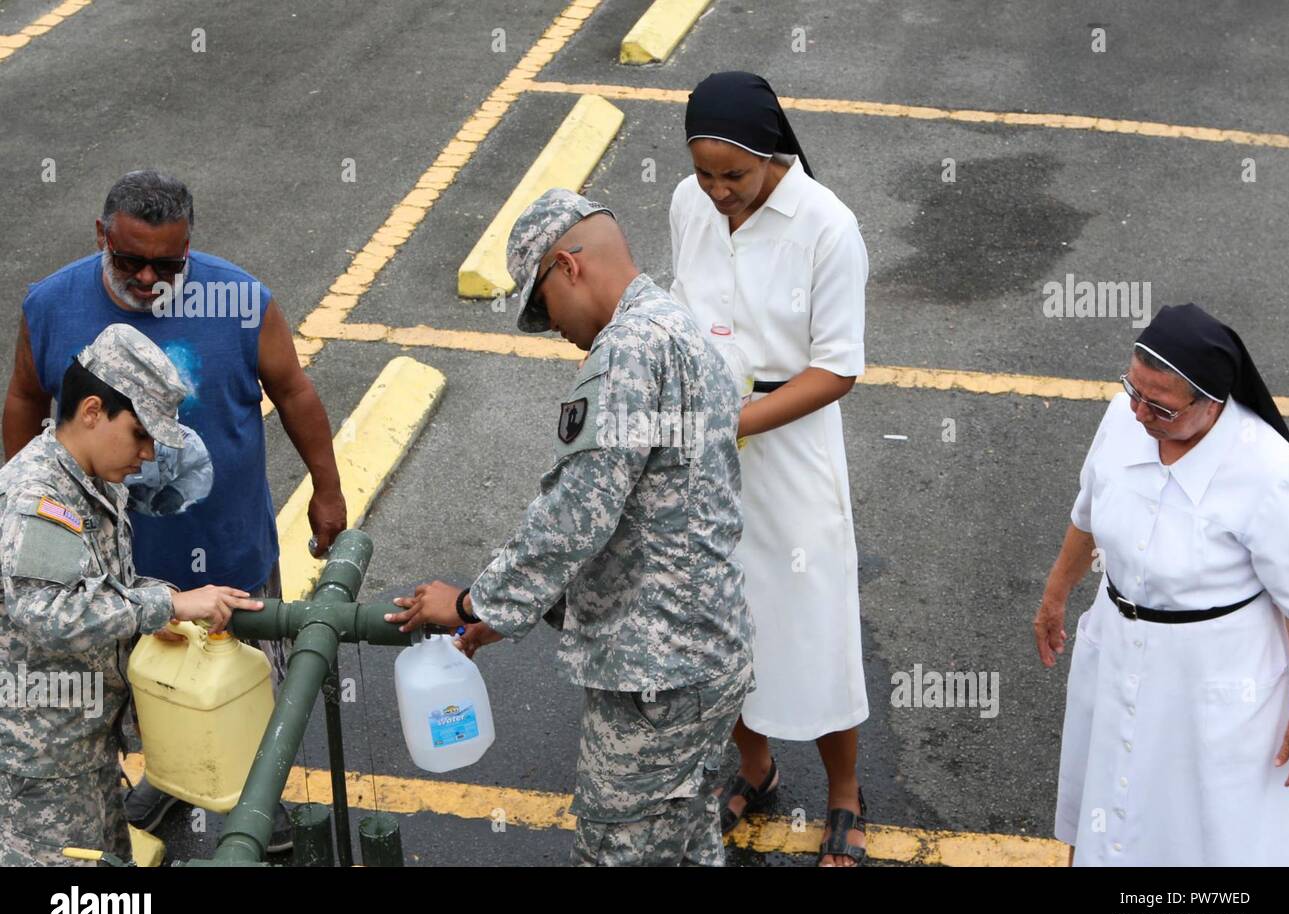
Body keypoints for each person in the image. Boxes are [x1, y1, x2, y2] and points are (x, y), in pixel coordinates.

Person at [386, 188, 754, 866]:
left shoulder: (627, 352)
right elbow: (650, 514)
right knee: (685, 840)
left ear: (568, 266)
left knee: (616, 851)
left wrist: (473, 602)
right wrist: (521, 612)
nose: (550, 327)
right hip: (705, 656)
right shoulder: (679, 326)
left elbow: (576, 514)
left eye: (541, 304)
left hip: (657, 673)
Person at [2, 170, 346, 847]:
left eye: (168, 263)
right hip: (117, 583)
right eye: (130, 259)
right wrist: (21, 495)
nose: (149, 277)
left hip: (221, 554)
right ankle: (169, 775)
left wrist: (327, 490)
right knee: (143, 697)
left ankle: (250, 797)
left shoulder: (241, 300)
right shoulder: (51, 306)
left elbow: (296, 393)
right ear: (101, 235)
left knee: (242, 688)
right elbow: (21, 400)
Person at [668, 71, 871, 865]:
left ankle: (846, 797)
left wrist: (735, 423)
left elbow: (839, 369)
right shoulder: (690, 205)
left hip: (789, 447)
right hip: (709, 449)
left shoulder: (828, 227)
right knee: (726, 618)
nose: (719, 191)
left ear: (771, 155)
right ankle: (755, 768)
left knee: (814, 623)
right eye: (705, 173)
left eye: (735, 175)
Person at [1035, 303, 1289, 866]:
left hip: (1215, 677)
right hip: (1118, 647)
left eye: (1161, 406)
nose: (1139, 413)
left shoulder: (1270, 474)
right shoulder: (1122, 418)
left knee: (1206, 824)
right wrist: (1055, 596)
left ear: (1213, 404)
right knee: (1109, 796)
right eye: (1133, 390)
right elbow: (1087, 515)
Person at [0, 324, 263, 865]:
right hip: (39, 762)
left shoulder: (93, 479)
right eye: (140, 434)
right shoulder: (41, 496)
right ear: (93, 411)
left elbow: (99, 585)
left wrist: (162, 601)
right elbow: (45, 611)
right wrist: (165, 605)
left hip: (85, 744)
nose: (147, 455)